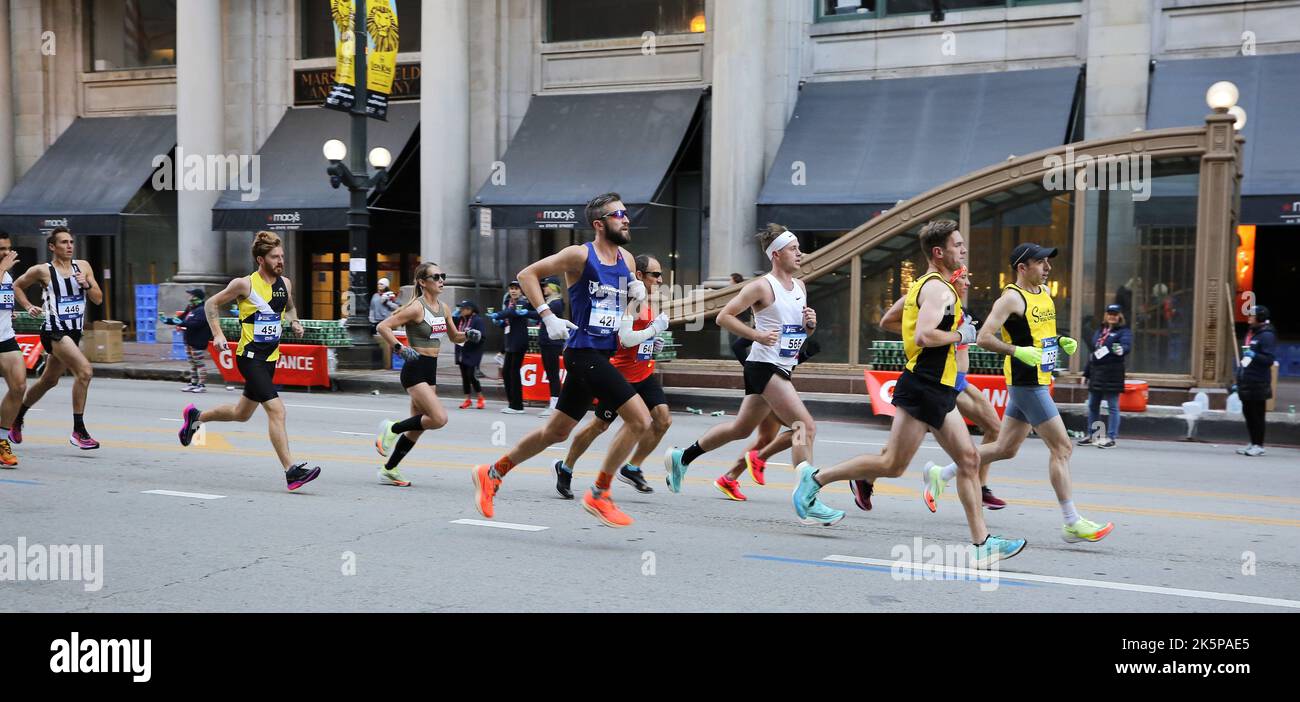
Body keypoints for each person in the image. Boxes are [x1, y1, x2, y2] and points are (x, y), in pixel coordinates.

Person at [787, 220, 1022, 566]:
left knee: (966, 460)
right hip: (926, 385)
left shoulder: (931, 286)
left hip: (935, 386)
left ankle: (981, 544)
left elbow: (906, 324)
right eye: (958, 245)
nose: (964, 250)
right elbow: (926, 335)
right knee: (892, 465)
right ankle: (815, 479)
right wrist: (962, 335)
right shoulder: (938, 290)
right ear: (939, 253)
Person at [471, 192, 654, 528]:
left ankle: (492, 472)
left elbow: (622, 309)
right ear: (599, 224)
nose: (626, 219)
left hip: (602, 353)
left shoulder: (627, 260)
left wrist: (636, 296)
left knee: (556, 432)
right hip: (582, 352)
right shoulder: (579, 255)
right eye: (618, 215)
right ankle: (600, 493)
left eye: (626, 213)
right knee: (641, 420)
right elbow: (527, 274)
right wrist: (547, 316)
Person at [927, 242, 1114, 545]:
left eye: (1047, 263)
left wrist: (1060, 341)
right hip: (1027, 382)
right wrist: (1018, 352)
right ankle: (1071, 522)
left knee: (1006, 448)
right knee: (1063, 448)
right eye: (1041, 263)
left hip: (1040, 376)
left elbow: (1040, 335)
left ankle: (942, 472)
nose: (1048, 268)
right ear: (1022, 267)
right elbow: (985, 338)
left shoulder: (1044, 294)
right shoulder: (1010, 299)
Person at [663, 224, 846, 527]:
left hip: (783, 365)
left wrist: (809, 326)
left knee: (740, 429)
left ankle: (682, 457)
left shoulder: (800, 287)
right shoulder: (762, 286)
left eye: (799, 247)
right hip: (764, 366)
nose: (799, 253)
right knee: (804, 426)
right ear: (776, 254)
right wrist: (757, 336)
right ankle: (808, 497)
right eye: (793, 248)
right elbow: (724, 316)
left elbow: (796, 332)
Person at [176, 231, 322, 492]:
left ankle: (196, 417)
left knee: (241, 414)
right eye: (275, 257)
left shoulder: (285, 284)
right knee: (277, 411)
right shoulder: (245, 284)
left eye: (282, 256)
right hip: (250, 358)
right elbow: (211, 304)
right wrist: (218, 334)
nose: (280, 261)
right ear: (260, 259)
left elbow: (288, 306)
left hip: (271, 358)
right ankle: (291, 471)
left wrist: (295, 321)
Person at [870, 265, 1007, 510]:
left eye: (968, 276)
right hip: (939, 381)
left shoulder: (956, 307)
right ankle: (866, 476)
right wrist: (924, 334)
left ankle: (978, 485)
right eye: (963, 277)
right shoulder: (929, 293)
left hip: (958, 380)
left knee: (994, 428)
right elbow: (889, 320)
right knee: (899, 453)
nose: (967, 283)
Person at [553, 254, 671, 498]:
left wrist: (653, 340)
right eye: (655, 275)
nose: (660, 280)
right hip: (619, 375)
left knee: (662, 419)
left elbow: (636, 337)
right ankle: (565, 467)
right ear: (639, 276)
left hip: (643, 372)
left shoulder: (648, 302)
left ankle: (631, 467)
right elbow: (625, 338)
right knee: (600, 426)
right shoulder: (627, 300)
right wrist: (654, 329)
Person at [373, 262, 468, 487]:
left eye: (442, 275)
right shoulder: (417, 307)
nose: (441, 280)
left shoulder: (443, 308)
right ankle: (392, 428)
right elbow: (383, 326)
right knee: (438, 418)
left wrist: (469, 336)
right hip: (414, 368)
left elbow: (455, 337)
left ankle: (389, 469)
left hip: (430, 368)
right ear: (423, 282)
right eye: (436, 277)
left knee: (417, 428)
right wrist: (400, 348)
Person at [9, 227, 104, 450]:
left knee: (49, 380)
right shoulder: (42, 271)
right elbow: (17, 286)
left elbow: (98, 299)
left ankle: (17, 416)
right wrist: (28, 305)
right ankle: (78, 431)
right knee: (85, 371)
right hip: (54, 330)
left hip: (73, 332)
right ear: (52, 246)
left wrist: (86, 284)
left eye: (71, 242)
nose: (69, 246)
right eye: (63, 242)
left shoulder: (83, 267)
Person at [1078, 303, 1132, 448]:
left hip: (1113, 373)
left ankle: (1111, 438)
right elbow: (1094, 353)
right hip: (1097, 373)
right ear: (1106, 315)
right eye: (1109, 314)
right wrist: (1086, 373)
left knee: (1113, 406)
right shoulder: (1100, 331)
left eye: (1115, 314)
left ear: (1119, 316)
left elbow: (1126, 346)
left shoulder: (1124, 331)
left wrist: (1122, 349)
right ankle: (1093, 436)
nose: (1112, 317)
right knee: (1093, 405)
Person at [1236, 304, 1276, 457]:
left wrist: (1254, 356)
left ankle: (1259, 445)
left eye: (1252, 315)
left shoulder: (1266, 335)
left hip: (1258, 381)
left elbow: (1269, 360)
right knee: (1248, 413)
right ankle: (1253, 442)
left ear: (1260, 318)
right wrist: (1239, 375)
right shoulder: (1253, 333)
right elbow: (1246, 358)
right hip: (1247, 379)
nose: (1249, 317)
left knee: (1257, 414)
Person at [0, 232, 25, 466]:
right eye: (0, 249)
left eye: (8, 248)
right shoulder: (3, 272)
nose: (6, 253)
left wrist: (10, 311)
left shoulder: (6, 275)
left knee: (18, 386)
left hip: (5, 338)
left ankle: (0, 441)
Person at [491, 281, 529, 414]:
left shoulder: (523, 302)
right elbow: (508, 321)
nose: (513, 291)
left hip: (519, 341)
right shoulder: (509, 302)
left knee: (513, 372)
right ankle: (512, 403)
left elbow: (512, 313)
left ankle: (517, 405)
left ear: (521, 291)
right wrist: (500, 322)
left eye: (516, 289)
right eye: (511, 288)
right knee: (507, 372)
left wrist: (499, 314)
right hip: (510, 341)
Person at [537, 280, 566, 417]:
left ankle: (555, 405)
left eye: (546, 286)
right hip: (546, 342)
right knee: (550, 373)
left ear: (554, 287)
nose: (544, 288)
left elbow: (542, 315)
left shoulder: (556, 303)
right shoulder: (550, 302)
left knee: (553, 374)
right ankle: (554, 402)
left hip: (552, 343)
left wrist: (524, 312)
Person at [176, 288, 213, 393]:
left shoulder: (202, 309)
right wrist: (169, 320)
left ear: (197, 297)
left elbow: (197, 323)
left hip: (198, 340)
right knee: (192, 363)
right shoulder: (191, 307)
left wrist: (181, 323)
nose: (189, 297)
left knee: (199, 363)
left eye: (191, 295)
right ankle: (193, 383)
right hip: (189, 340)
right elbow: (181, 319)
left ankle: (201, 385)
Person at [453, 300, 486, 410]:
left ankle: (480, 398)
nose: (461, 311)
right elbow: (451, 327)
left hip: (473, 352)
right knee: (464, 376)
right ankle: (467, 399)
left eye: (464, 309)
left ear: (471, 310)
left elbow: (483, 337)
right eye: (460, 309)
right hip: (461, 351)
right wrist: (453, 315)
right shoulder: (460, 320)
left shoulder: (477, 320)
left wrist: (473, 336)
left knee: (471, 375)